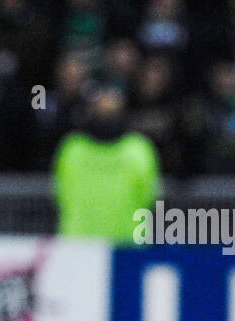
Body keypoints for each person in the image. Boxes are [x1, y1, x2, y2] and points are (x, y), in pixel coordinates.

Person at [52, 86, 160, 243]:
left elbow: (60, 193)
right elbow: (149, 196)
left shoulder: (72, 147)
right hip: (87, 245)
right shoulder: (139, 148)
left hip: (117, 245)